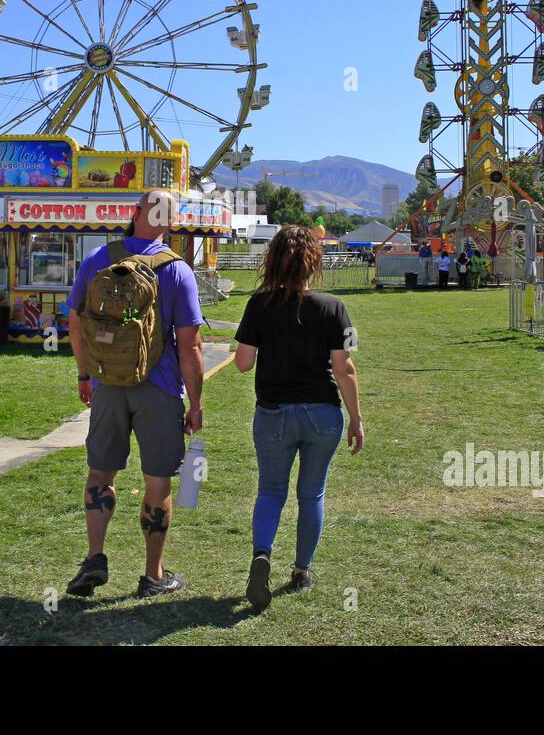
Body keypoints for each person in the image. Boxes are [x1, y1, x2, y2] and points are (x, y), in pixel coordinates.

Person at [65, 189, 204, 599]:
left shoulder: (99, 260)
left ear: (135, 213)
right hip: (158, 391)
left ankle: (94, 557)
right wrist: (195, 404)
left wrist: (85, 375)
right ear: (171, 221)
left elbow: (75, 323)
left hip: (108, 384)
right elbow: (190, 345)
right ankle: (153, 575)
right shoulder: (176, 271)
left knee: (100, 474)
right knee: (157, 483)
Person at [233, 225, 365, 611]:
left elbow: (242, 364)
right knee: (312, 493)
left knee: (270, 490)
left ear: (273, 260)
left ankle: (261, 554)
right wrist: (356, 418)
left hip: (273, 412)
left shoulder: (258, 305)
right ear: (313, 262)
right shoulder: (334, 308)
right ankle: (302, 570)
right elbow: (345, 368)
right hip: (322, 414)